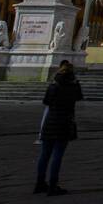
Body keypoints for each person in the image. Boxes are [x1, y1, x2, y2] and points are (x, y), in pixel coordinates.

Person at [35, 61, 84, 196]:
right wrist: (76, 83)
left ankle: (39, 183)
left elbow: (46, 102)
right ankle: (52, 185)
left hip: (50, 122)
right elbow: (79, 97)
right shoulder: (73, 86)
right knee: (57, 155)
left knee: (44, 155)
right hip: (64, 123)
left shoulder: (53, 85)